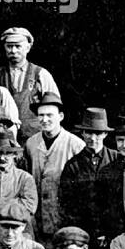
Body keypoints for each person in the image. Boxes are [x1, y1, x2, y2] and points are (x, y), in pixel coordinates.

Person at [24, 93, 84, 238]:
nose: (44, 120)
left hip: (62, 216)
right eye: (41, 115)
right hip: (36, 217)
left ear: (61, 116)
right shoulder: (31, 143)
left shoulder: (76, 145)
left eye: (50, 115)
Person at [59, 108, 117, 247]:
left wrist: (109, 231)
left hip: (113, 234)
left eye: (97, 133)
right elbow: (67, 204)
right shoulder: (73, 165)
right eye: (89, 132)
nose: (93, 138)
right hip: (83, 234)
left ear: (104, 134)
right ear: (83, 133)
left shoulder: (116, 160)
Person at [0, 26, 60, 143]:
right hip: (5, 141)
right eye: (9, 46)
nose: (13, 51)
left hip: (36, 139)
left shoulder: (41, 75)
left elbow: (54, 109)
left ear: (28, 48)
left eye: (18, 46)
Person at [0, 131, 39, 238]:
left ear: (14, 155)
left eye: (7, 153)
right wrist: (14, 202)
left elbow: (29, 206)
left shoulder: (25, 178)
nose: (2, 157)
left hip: (19, 228)